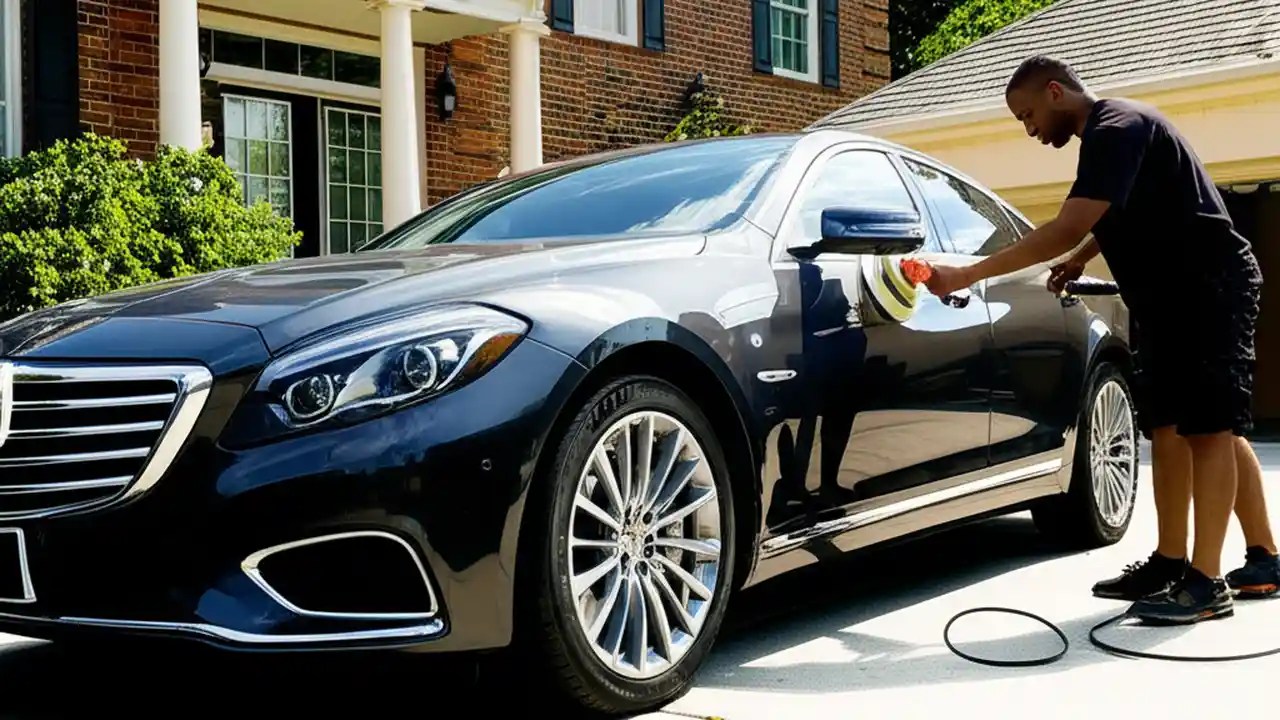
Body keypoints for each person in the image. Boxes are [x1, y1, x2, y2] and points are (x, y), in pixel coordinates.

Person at [922, 55, 1280, 624]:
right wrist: (1081, 258)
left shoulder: (1117, 127)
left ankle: (1206, 583)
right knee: (1170, 425)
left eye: (1028, 114)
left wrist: (967, 275)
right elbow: (1112, 215)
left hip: (1210, 286)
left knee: (1209, 427)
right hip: (1166, 298)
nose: (1028, 128)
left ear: (1056, 92)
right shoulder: (1107, 139)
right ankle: (1201, 560)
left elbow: (1066, 223)